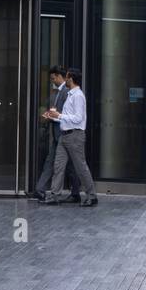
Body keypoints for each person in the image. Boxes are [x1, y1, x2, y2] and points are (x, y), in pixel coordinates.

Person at [40, 69, 98, 207]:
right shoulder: (71, 95)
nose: (64, 80)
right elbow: (68, 118)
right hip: (64, 136)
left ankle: (92, 196)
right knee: (58, 166)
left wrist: (59, 116)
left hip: (74, 136)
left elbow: (78, 118)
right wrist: (54, 116)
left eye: (66, 77)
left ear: (71, 79)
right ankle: (55, 195)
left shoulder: (78, 96)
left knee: (81, 167)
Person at [35, 66, 80, 200]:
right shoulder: (55, 93)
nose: (52, 81)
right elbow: (54, 109)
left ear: (60, 77)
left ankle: (75, 192)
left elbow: (68, 114)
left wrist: (54, 116)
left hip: (65, 134)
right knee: (50, 162)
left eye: (53, 78)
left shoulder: (68, 92)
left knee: (71, 165)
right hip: (57, 135)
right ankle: (40, 189)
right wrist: (48, 115)